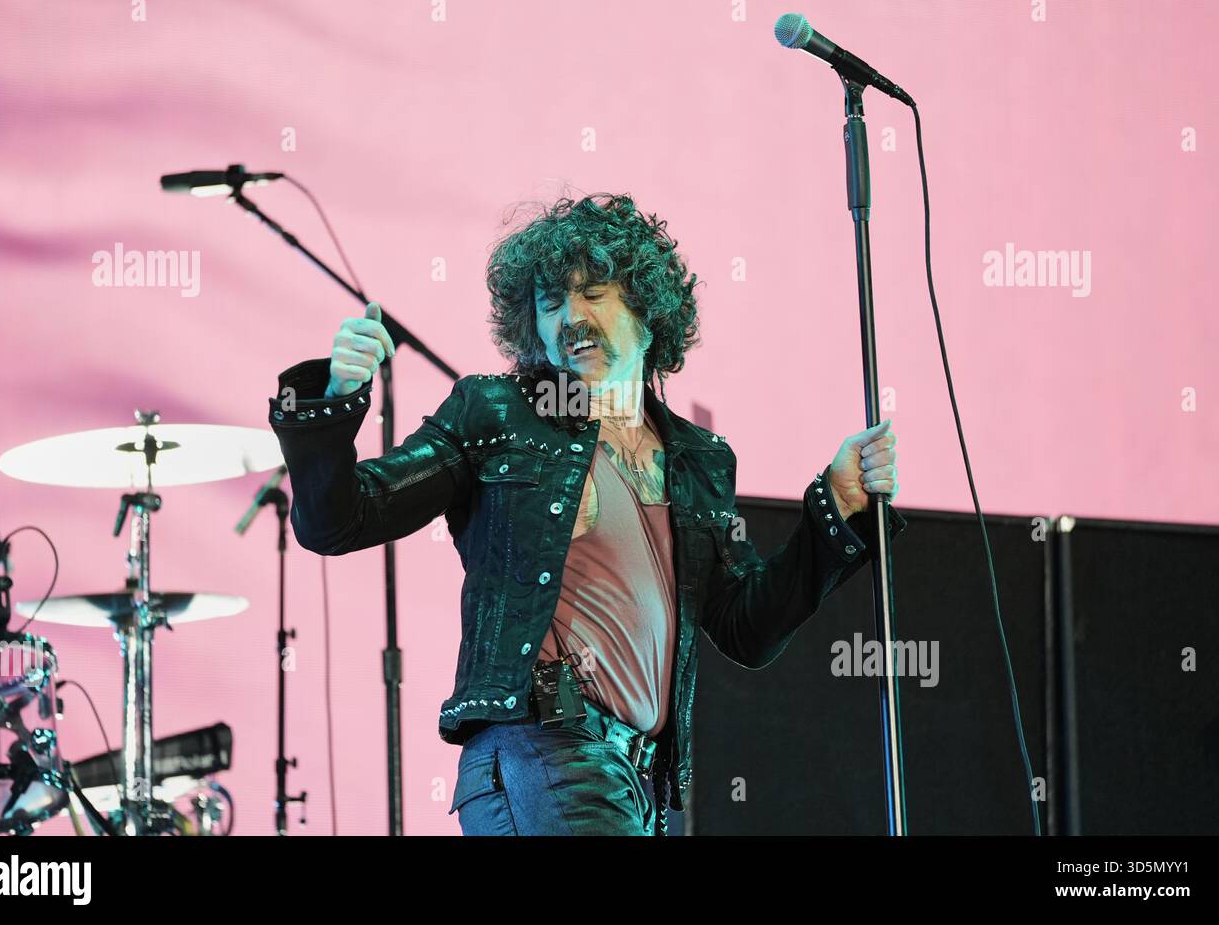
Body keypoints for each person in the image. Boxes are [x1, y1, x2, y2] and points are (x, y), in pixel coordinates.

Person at [267, 193, 904, 835]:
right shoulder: (496, 414)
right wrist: (337, 398)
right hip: (542, 750)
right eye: (551, 303)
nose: (572, 316)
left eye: (594, 293)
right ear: (533, 330)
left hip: (639, 784)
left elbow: (745, 628)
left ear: (649, 316)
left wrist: (836, 509)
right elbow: (340, 520)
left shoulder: (700, 459)